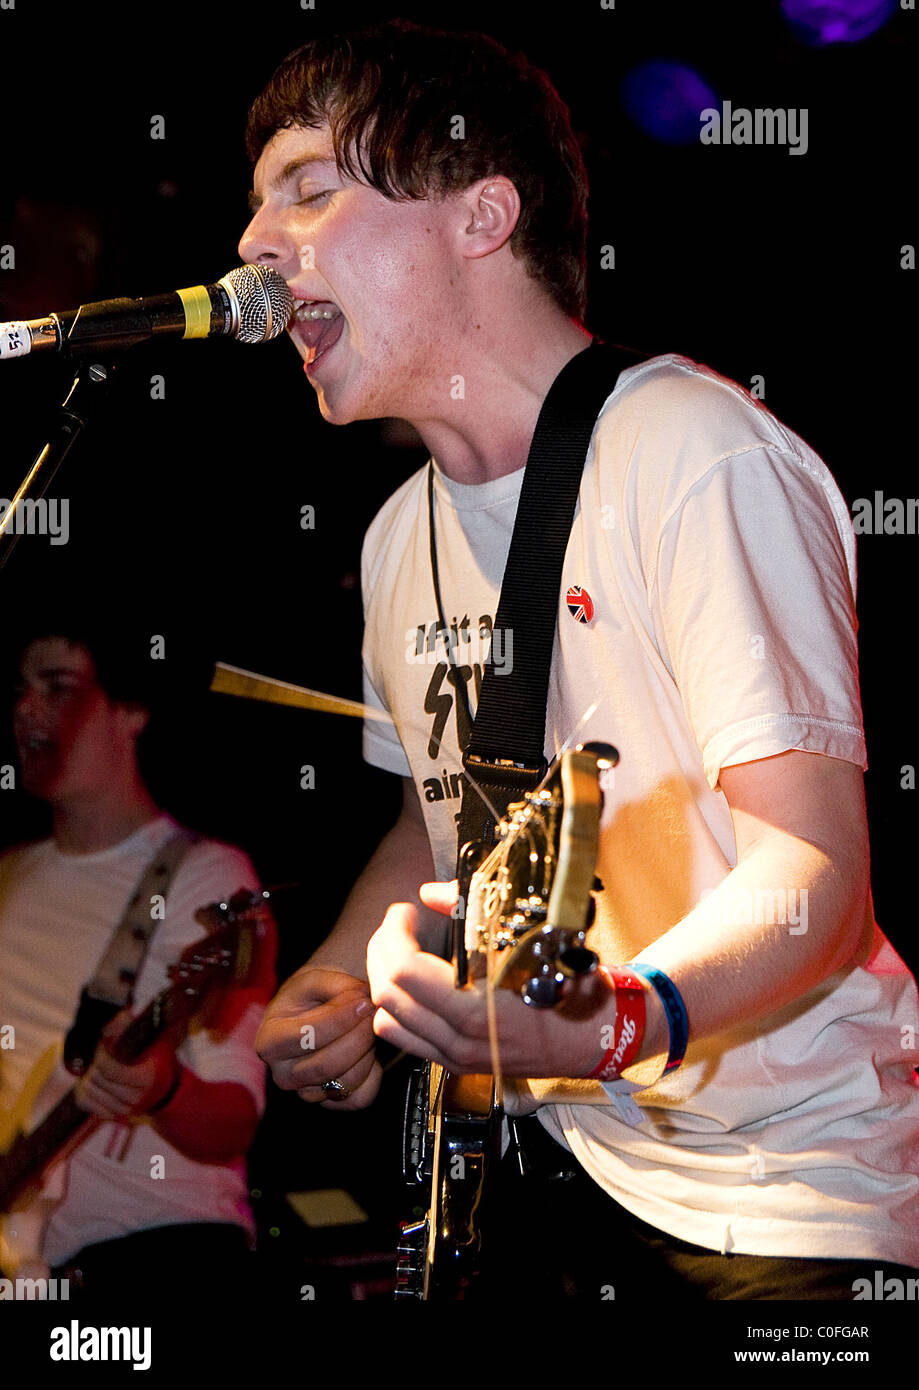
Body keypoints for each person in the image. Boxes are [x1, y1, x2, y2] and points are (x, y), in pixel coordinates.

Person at [244, 20, 919, 1299]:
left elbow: (814, 868)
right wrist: (335, 979)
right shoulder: (398, 537)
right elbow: (434, 816)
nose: (254, 245)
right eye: (257, 204)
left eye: (312, 189)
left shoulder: (692, 451)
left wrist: (619, 1018)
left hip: (786, 1200)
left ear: (480, 214)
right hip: (559, 1169)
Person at [0, 623, 276, 1300]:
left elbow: (235, 1117)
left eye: (57, 688)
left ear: (131, 712)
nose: (25, 710)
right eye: (20, 691)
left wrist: (164, 1089)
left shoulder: (204, 876)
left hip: (158, 1259)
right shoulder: (8, 877)